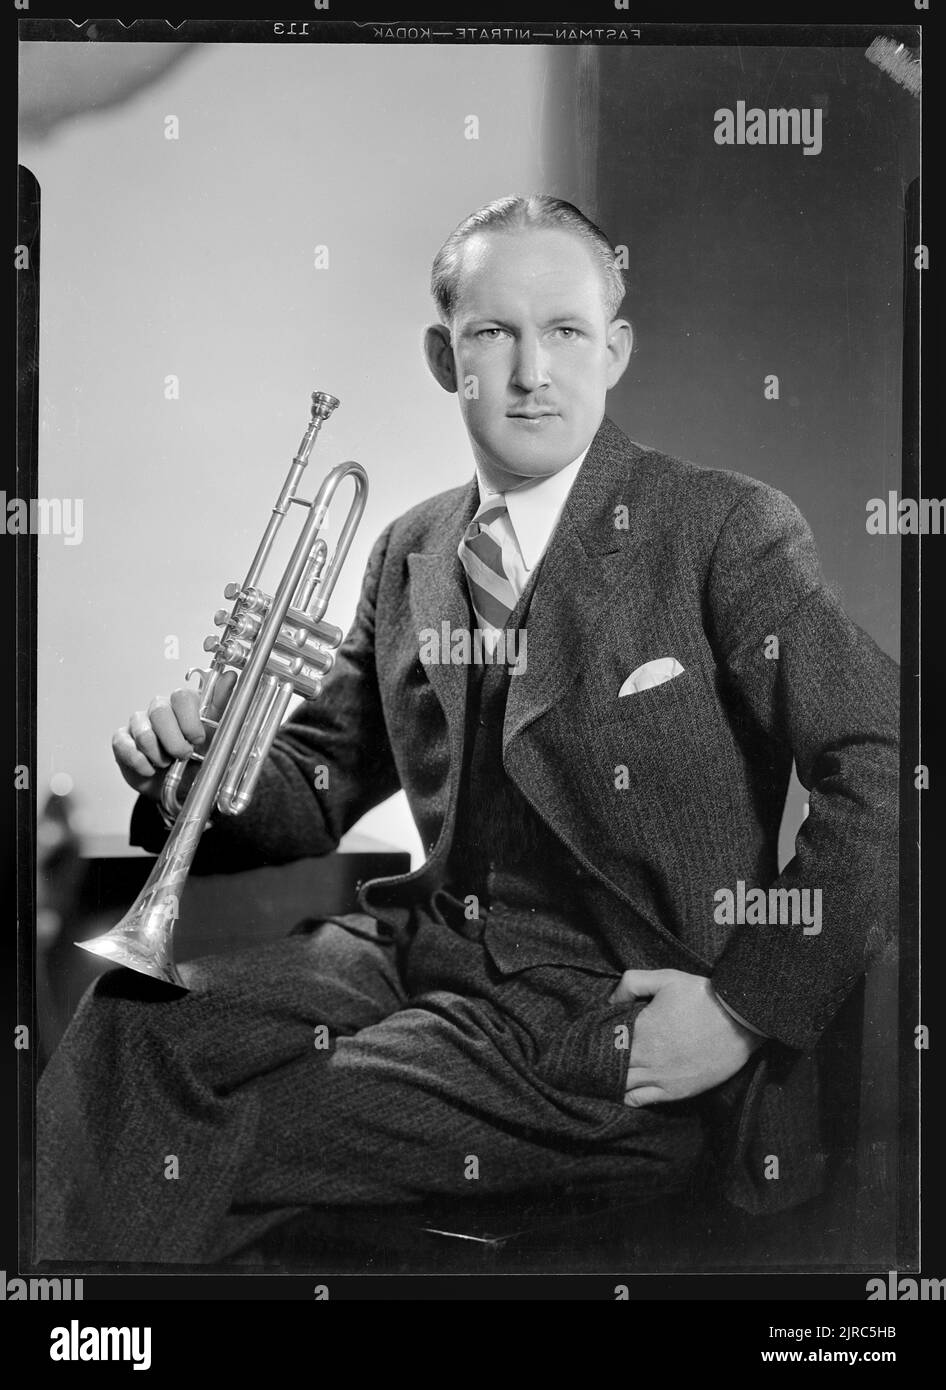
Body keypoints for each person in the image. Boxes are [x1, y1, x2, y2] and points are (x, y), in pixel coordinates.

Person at [36, 195, 898, 1265]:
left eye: (567, 331)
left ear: (615, 349)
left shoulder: (721, 527)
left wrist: (741, 1009)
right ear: (446, 358)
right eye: (494, 333)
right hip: (418, 955)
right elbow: (318, 783)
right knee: (128, 1025)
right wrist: (191, 774)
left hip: (604, 1016)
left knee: (219, 1127)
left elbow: (888, 765)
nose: (533, 370)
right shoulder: (408, 547)